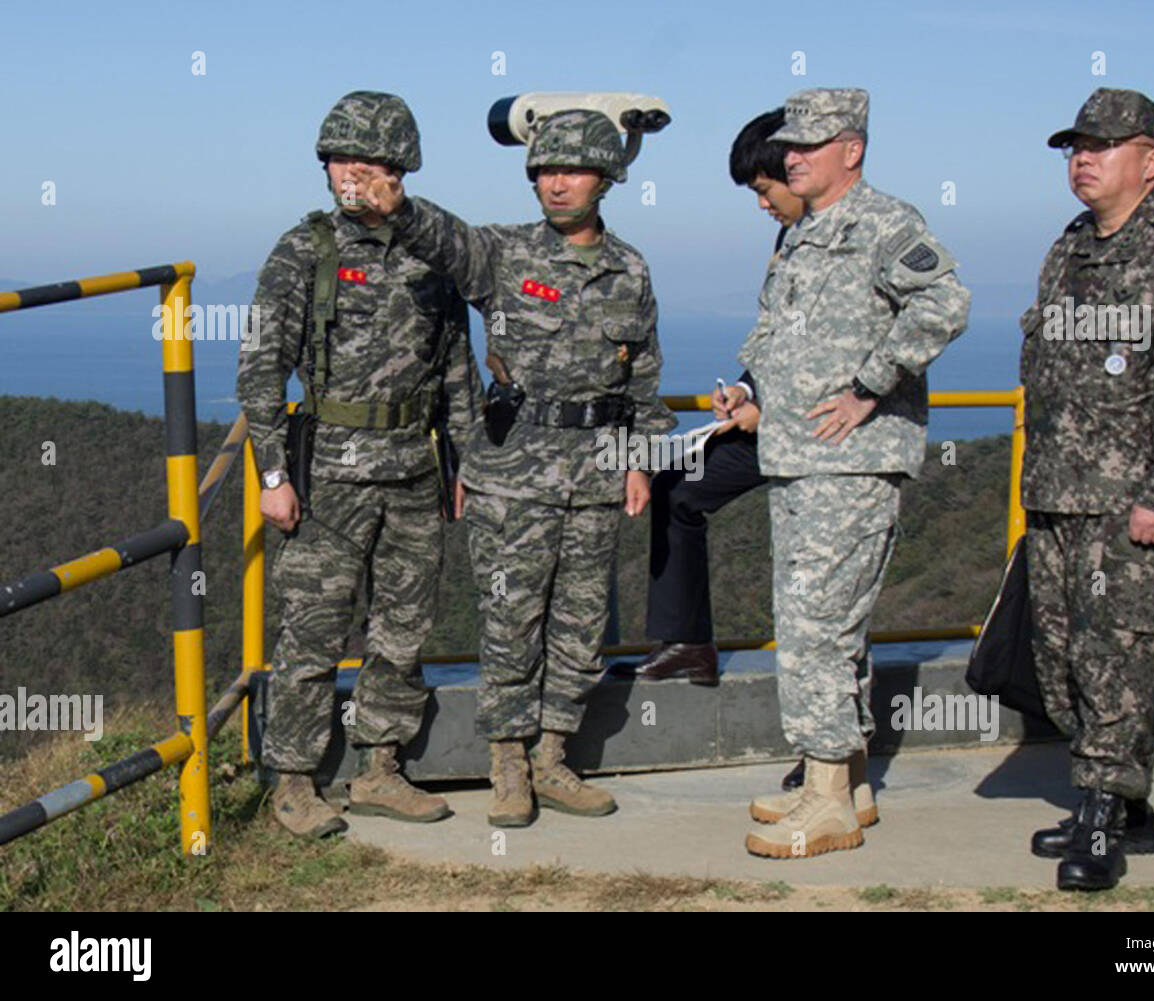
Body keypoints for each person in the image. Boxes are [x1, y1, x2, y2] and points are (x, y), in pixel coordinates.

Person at [361, 108, 675, 827]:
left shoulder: (630, 268)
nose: (554, 183)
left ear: (608, 177)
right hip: (514, 471)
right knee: (510, 620)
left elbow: (644, 377)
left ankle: (553, 756)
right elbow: (449, 242)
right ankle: (509, 764)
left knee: (580, 623)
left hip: (597, 470)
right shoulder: (502, 253)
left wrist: (639, 462)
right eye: (543, 170)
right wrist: (400, 205)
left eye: (570, 170)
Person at [237, 91, 481, 839]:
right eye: (340, 157)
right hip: (331, 477)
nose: (352, 172)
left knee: (402, 628)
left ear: (401, 167)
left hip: (414, 467)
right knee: (311, 631)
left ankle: (381, 769)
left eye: (369, 159)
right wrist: (273, 478)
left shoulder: (433, 253)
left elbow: (456, 370)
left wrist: (463, 462)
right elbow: (259, 370)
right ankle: (294, 781)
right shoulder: (304, 250)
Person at [738, 88, 970, 859]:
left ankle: (829, 798)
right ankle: (842, 781)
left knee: (813, 626)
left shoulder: (885, 223)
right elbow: (781, 334)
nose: (791, 156)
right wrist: (750, 388)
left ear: (852, 148)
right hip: (799, 457)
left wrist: (871, 384)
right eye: (788, 146)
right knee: (830, 628)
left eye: (807, 145)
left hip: (851, 461)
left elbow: (944, 302)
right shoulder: (804, 236)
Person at [1020, 88, 1154, 890]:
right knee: (1062, 661)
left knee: (1119, 656)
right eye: (1076, 145)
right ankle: (1126, 804)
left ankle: (1103, 815)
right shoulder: (1070, 246)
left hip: (1131, 499)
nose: (1083, 158)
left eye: (1103, 146)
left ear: (1152, 160)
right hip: (1056, 492)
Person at [613, 108, 802, 688]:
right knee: (677, 489)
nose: (762, 205)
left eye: (766, 190)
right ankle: (688, 644)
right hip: (765, 424)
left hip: (824, 433)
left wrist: (774, 409)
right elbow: (785, 339)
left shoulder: (858, 239)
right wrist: (748, 389)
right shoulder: (790, 238)